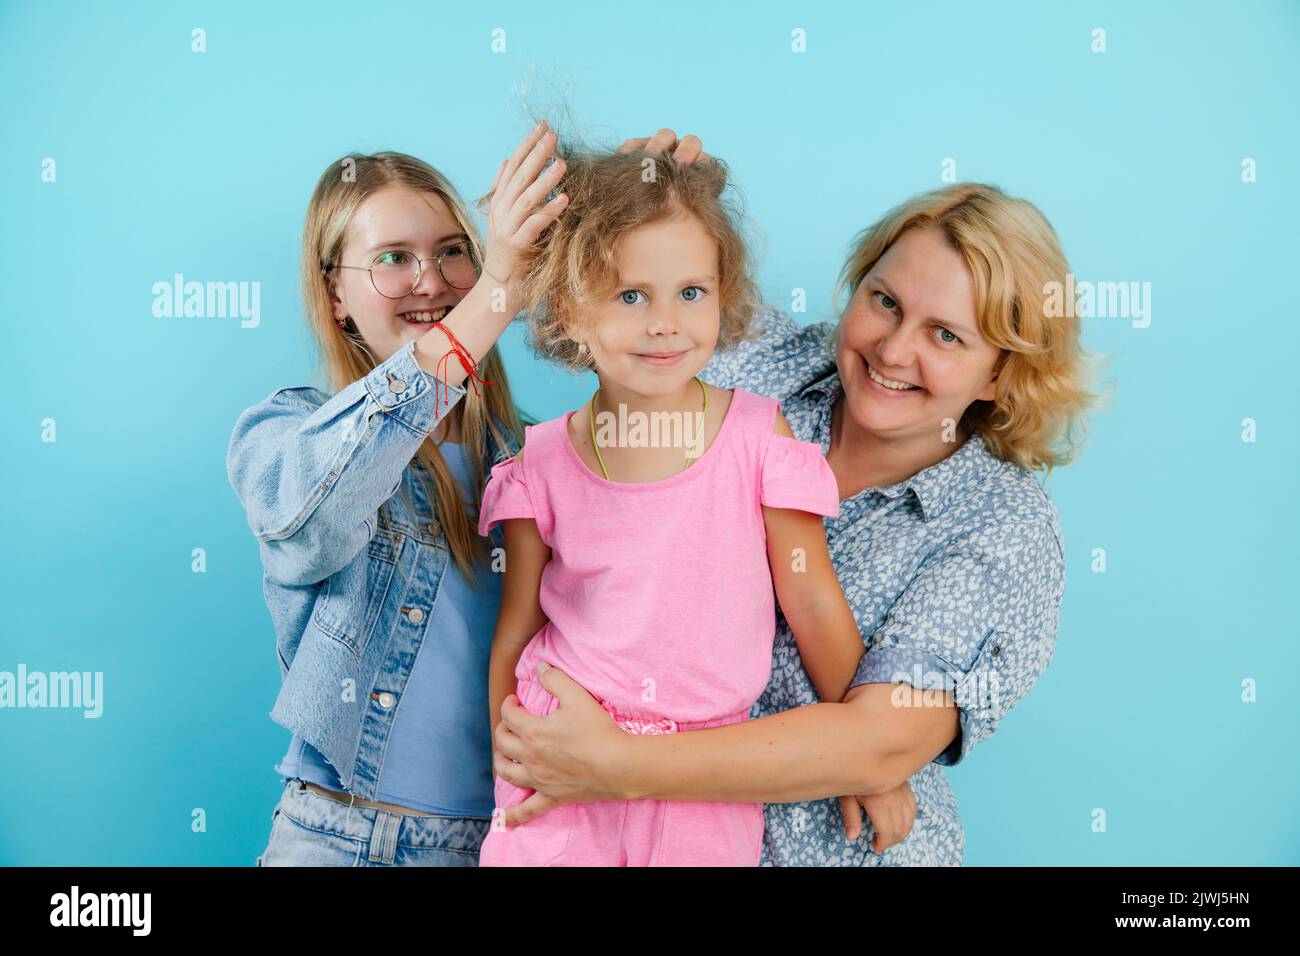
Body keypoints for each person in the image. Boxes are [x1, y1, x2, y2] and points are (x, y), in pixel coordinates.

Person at [490, 135, 1095, 865]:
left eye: (945, 335)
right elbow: (645, 277)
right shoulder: (767, 357)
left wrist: (615, 765)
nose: (894, 351)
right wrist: (648, 181)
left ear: (1001, 376)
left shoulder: (1003, 529)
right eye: (884, 301)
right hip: (593, 816)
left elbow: (879, 740)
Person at [472, 141, 901, 865]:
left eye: (691, 293)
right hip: (562, 762)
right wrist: (511, 771)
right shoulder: (538, 464)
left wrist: (870, 758)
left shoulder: (759, 438)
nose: (666, 322)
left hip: (707, 777)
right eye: (631, 295)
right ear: (571, 313)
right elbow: (515, 630)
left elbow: (815, 602)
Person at [228, 122, 570, 865]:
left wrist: (662, 199)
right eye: (393, 259)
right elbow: (318, 521)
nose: (432, 280)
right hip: (338, 841)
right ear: (337, 294)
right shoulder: (286, 434)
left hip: (502, 844)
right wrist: (497, 291)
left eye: (454, 252)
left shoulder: (538, 459)